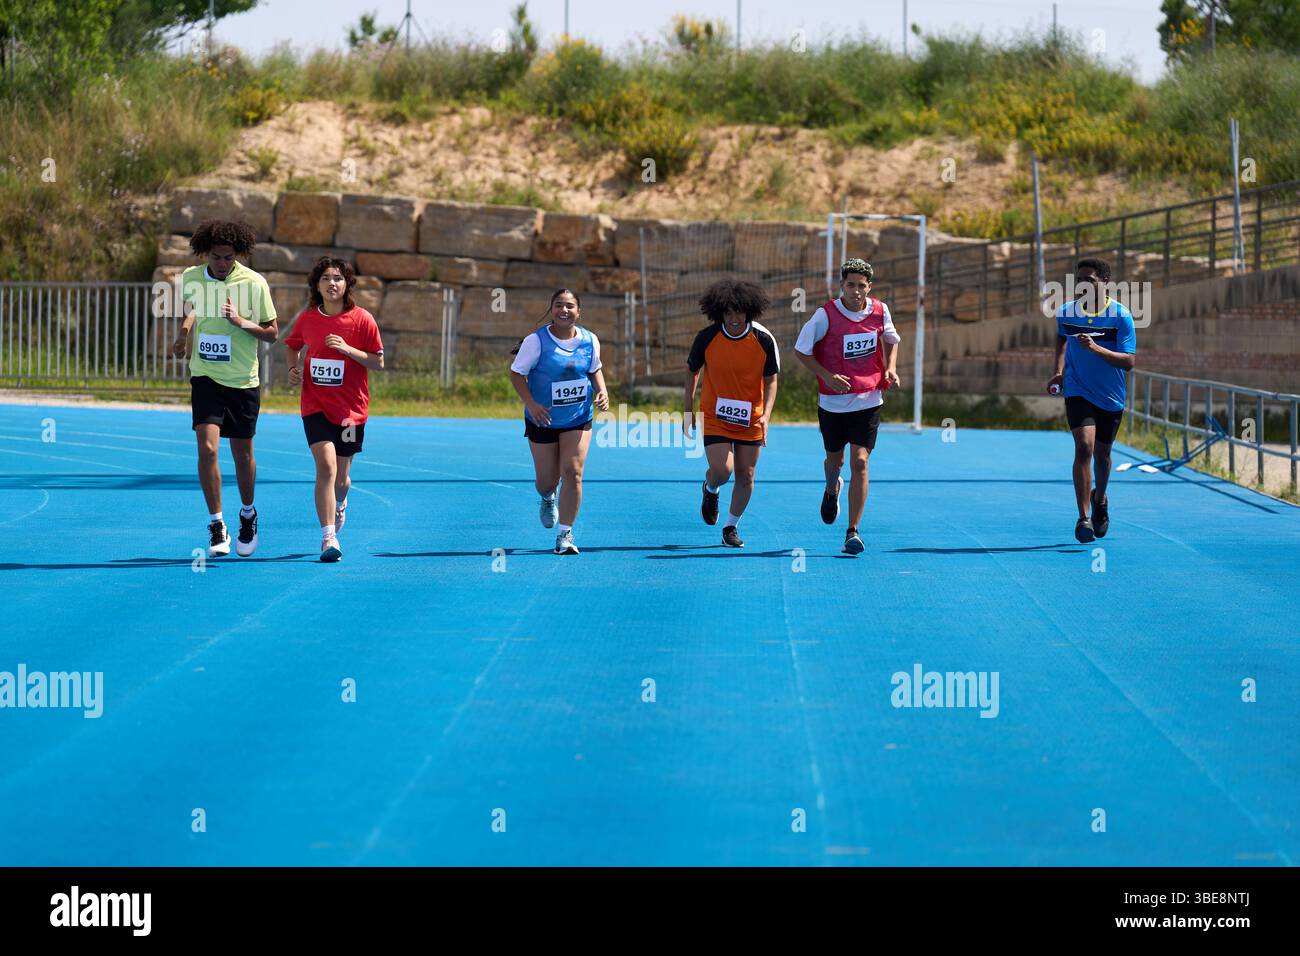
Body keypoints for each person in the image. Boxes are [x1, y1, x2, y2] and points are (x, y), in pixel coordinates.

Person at [170, 219, 278, 558]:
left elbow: (273, 332)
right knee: (208, 449)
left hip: (242, 380)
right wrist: (184, 333)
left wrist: (241, 323)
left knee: (242, 454)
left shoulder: (254, 283)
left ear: (238, 254)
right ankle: (217, 523)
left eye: (228, 257)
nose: (221, 263)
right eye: (216, 256)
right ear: (206, 253)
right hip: (205, 376)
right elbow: (191, 309)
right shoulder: (190, 278)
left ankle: (247, 513)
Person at [793, 258, 901, 555]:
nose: (855, 291)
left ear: (870, 287)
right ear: (842, 285)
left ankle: (852, 531)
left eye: (861, 286)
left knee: (861, 462)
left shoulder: (880, 310)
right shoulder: (824, 315)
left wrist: (890, 367)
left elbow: (891, 339)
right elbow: (801, 350)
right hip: (833, 404)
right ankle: (831, 488)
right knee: (835, 463)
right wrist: (827, 375)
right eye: (850, 285)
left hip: (869, 399)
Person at [285, 257, 385, 562]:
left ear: (347, 284)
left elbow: (378, 362)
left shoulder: (362, 319)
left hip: (350, 411)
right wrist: (293, 368)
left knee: (342, 478)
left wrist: (347, 349)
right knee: (325, 467)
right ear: (317, 284)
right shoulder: (307, 318)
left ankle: (340, 503)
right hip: (314, 405)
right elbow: (293, 344)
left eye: (338, 278)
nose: (332, 284)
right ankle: (329, 537)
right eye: (326, 278)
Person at [509, 289, 609, 555]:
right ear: (551, 310)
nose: (564, 311)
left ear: (579, 311)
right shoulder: (536, 341)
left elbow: (594, 369)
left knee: (573, 472)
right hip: (542, 419)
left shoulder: (590, 340)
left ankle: (564, 534)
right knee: (547, 480)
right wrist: (531, 403)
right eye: (558, 306)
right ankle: (546, 497)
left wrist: (602, 390)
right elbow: (517, 374)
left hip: (578, 417)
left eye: (570, 306)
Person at [684, 279, 780, 548]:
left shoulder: (763, 339)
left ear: (749, 311)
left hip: (751, 417)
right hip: (715, 415)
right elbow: (692, 373)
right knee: (722, 470)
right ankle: (710, 488)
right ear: (719, 313)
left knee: (746, 475)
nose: (734, 318)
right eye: (728, 313)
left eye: (739, 312)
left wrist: (767, 415)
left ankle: (730, 527)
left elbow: (771, 379)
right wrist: (687, 410)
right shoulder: (707, 337)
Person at [1047, 257, 1137, 543]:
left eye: (1090, 280)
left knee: (1103, 455)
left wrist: (1096, 348)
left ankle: (1100, 498)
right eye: (1079, 280)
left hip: (1110, 396)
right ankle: (1083, 517)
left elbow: (1129, 362)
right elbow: (1062, 340)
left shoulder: (1120, 316)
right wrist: (1059, 372)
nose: (1083, 285)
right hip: (1077, 389)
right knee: (1084, 447)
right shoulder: (1066, 312)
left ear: (1105, 284)